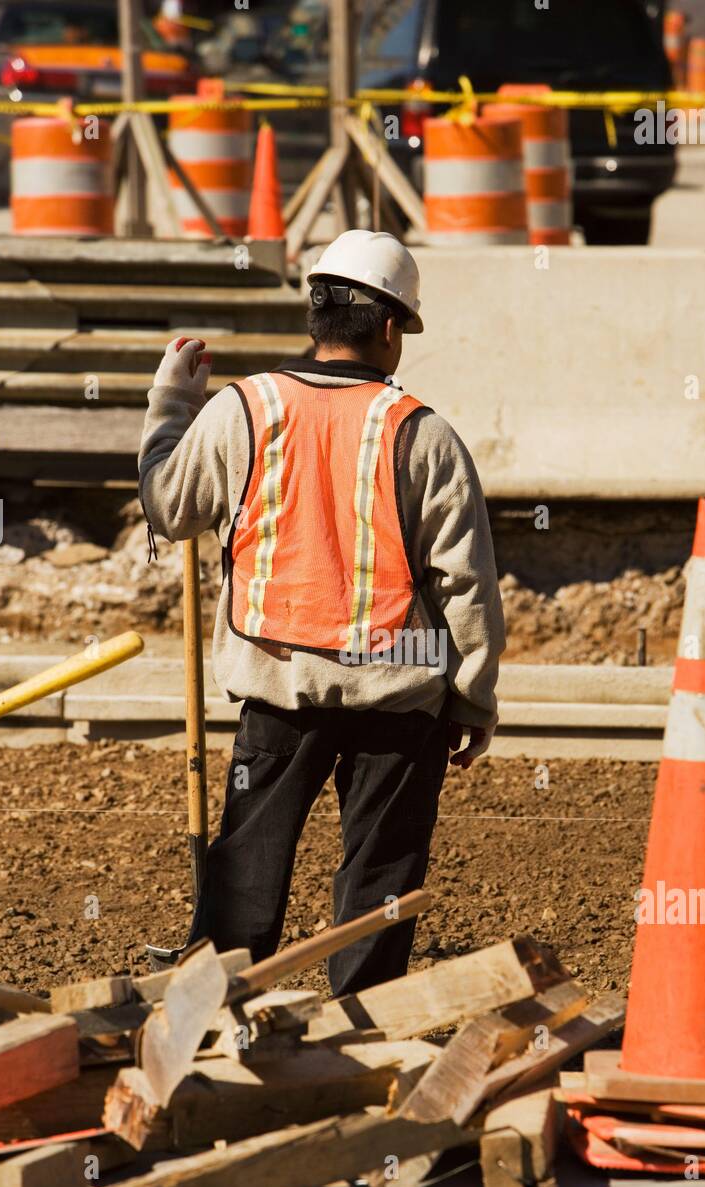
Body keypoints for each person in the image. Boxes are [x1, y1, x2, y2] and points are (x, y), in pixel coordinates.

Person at [139, 229, 505, 995]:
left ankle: (211, 1023)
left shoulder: (244, 410)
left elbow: (168, 507)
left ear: (316, 316)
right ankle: (367, 1031)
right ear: (390, 328)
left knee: (244, 873)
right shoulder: (425, 434)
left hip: (279, 686)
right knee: (382, 882)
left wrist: (171, 406)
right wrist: (473, 697)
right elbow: (466, 583)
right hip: (402, 700)